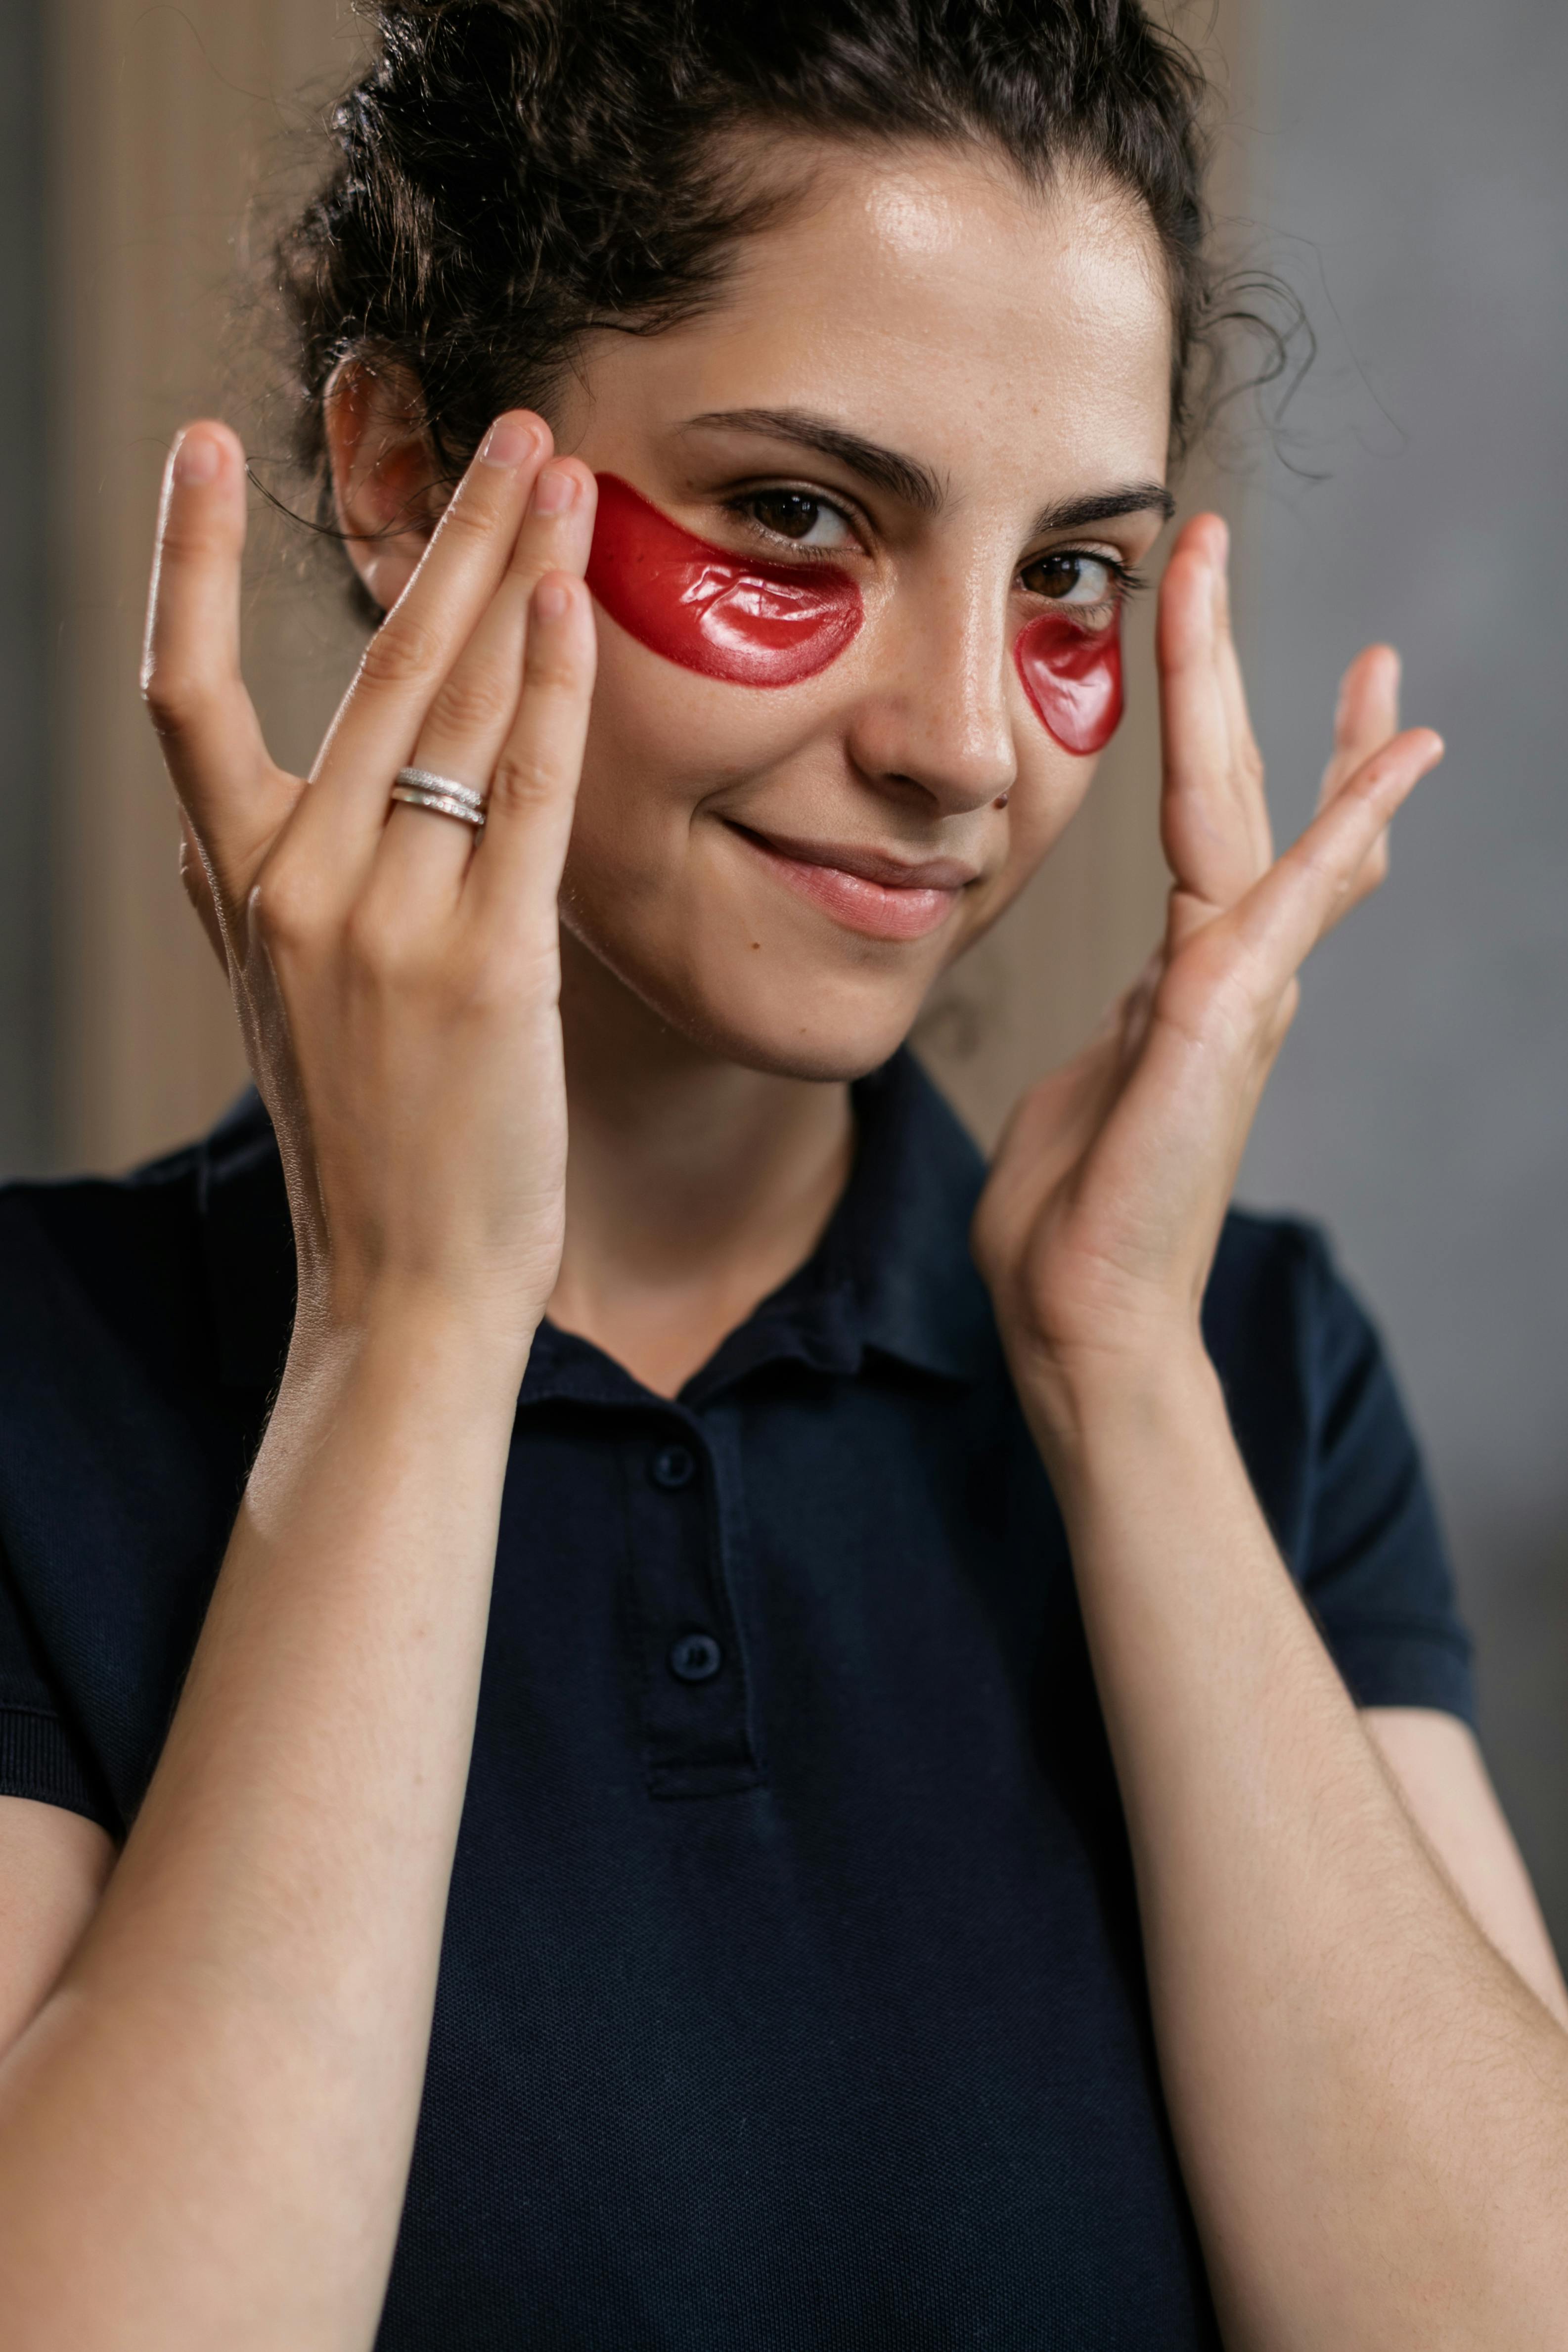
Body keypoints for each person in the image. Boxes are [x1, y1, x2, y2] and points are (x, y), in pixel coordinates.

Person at [0, 1, 1564, 2343]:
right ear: (409, 473)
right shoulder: (43, 1386)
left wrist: (1120, 1370)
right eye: (799, 518)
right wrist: (415, 1332)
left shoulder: (1250, 1375)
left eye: (1068, 579)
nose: (956, 746)